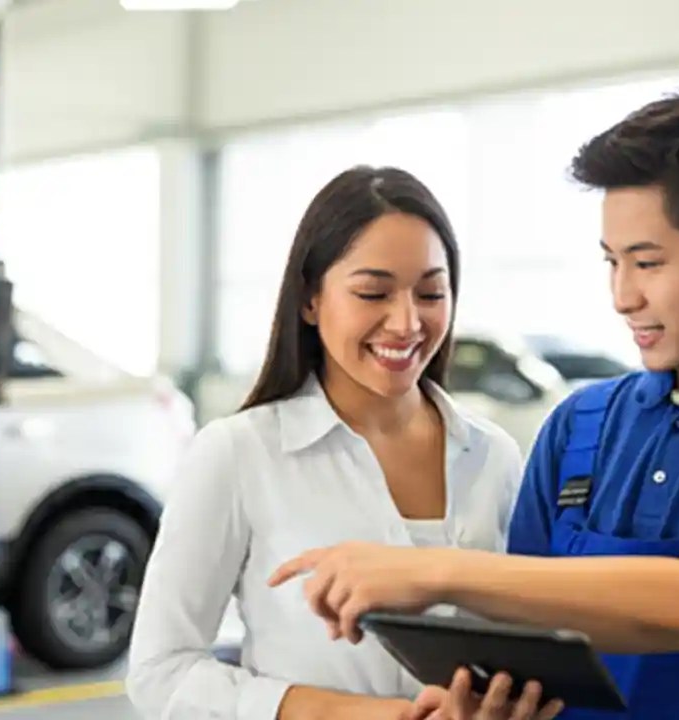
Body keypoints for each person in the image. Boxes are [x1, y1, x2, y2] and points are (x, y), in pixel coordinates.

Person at [269, 87, 679, 719]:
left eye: (647, 263)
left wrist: (433, 574)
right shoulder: (581, 424)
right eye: (611, 262)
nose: (622, 296)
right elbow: (524, 633)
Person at [125, 165, 561, 720]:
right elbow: (162, 670)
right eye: (373, 293)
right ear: (310, 300)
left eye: (431, 293)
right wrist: (353, 713)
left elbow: (521, 640)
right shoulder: (240, 453)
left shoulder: (492, 456)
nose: (406, 323)